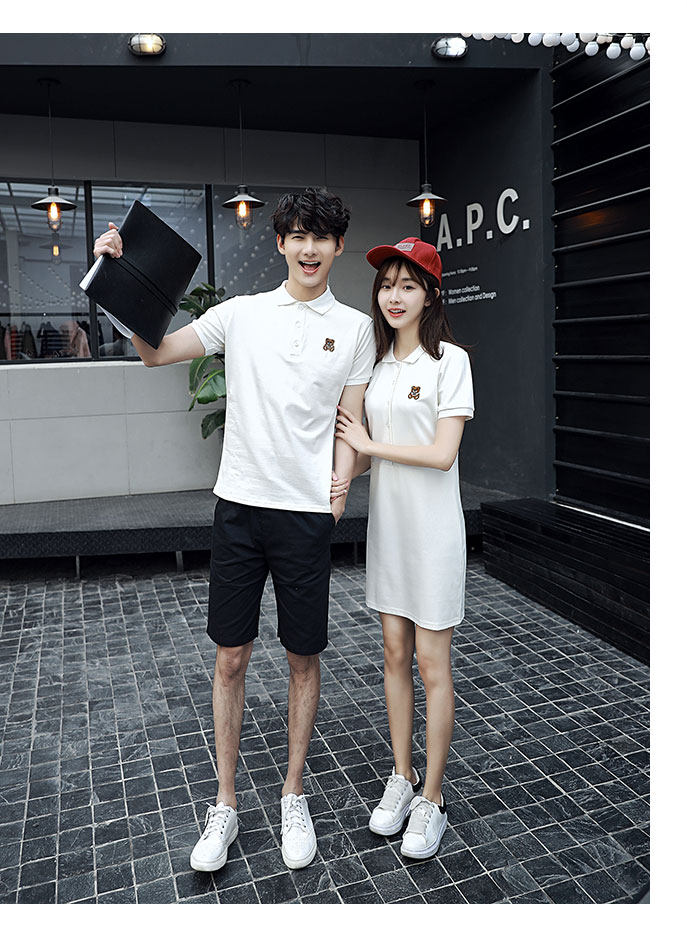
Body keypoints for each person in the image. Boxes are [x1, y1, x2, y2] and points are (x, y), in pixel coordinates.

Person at [92, 187, 376, 872]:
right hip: (241, 511)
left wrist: (337, 495)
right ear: (279, 243)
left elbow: (352, 426)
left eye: (321, 236)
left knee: (303, 658)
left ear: (338, 246)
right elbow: (156, 353)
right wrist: (117, 277)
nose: (309, 248)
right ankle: (225, 803)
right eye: (297, 235)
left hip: (305, 517)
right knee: (231, 658)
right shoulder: (240, 315)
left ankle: (292, 793)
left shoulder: (356, 329)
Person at [332, 237, 474, 860]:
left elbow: (442, 455)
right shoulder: (377, 367)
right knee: (394, 653)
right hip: (388, 531)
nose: (394, 296)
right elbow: (367, 456)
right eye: (387, 284)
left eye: (408, 285)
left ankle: (433, 799)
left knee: (432, 664)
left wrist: (368, 445)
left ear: (430, 296)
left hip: (434, 534)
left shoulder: (450, 362)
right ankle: (402, 775)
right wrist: (341, 474)